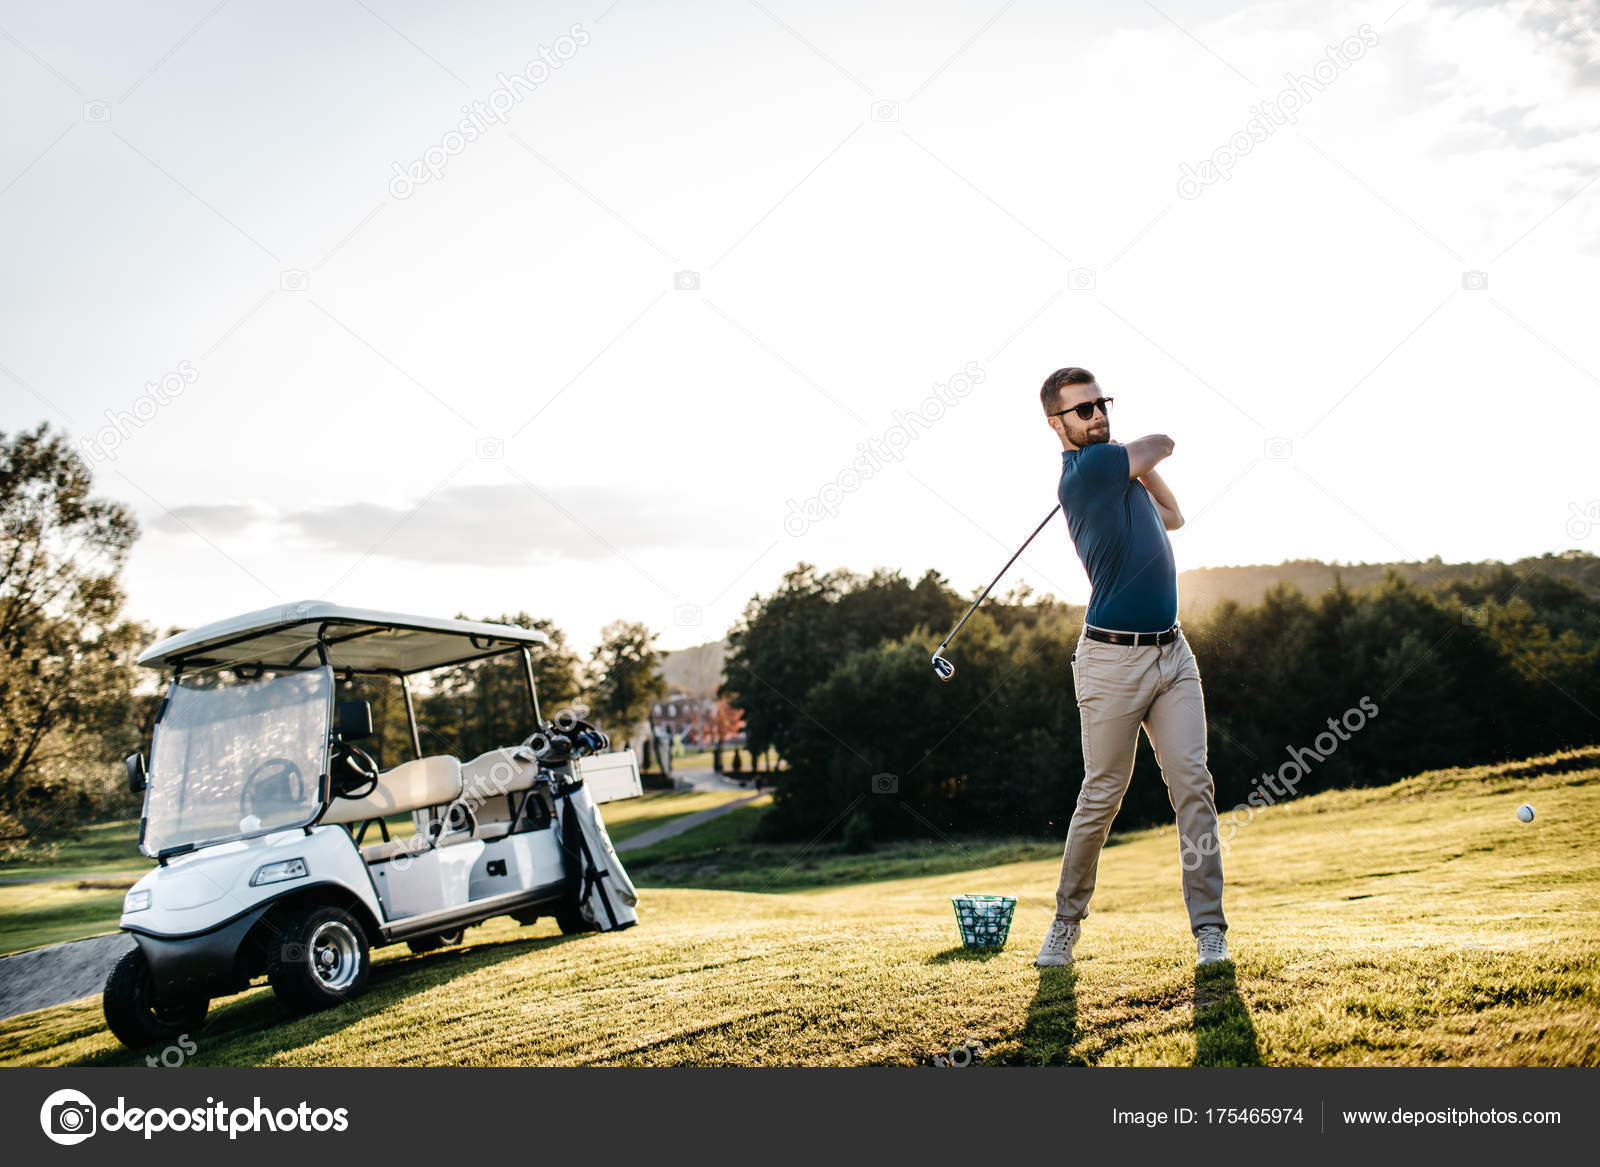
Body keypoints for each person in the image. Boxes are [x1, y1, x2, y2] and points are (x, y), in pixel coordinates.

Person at [1034, 366, 1229, 968]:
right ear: (1056, 425)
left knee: (1193, 786)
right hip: (1110, 662)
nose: (1098, 416)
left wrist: (1135, 469)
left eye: (1101, 405)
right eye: (1083, 411)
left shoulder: (1119, 475)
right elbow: (1164, 441)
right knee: (1103, 795)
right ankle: (1066, 923)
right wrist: (1133, 459)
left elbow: (1174, 517)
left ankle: (1209, 933)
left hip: (1173, 654)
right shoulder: (1089, 472)